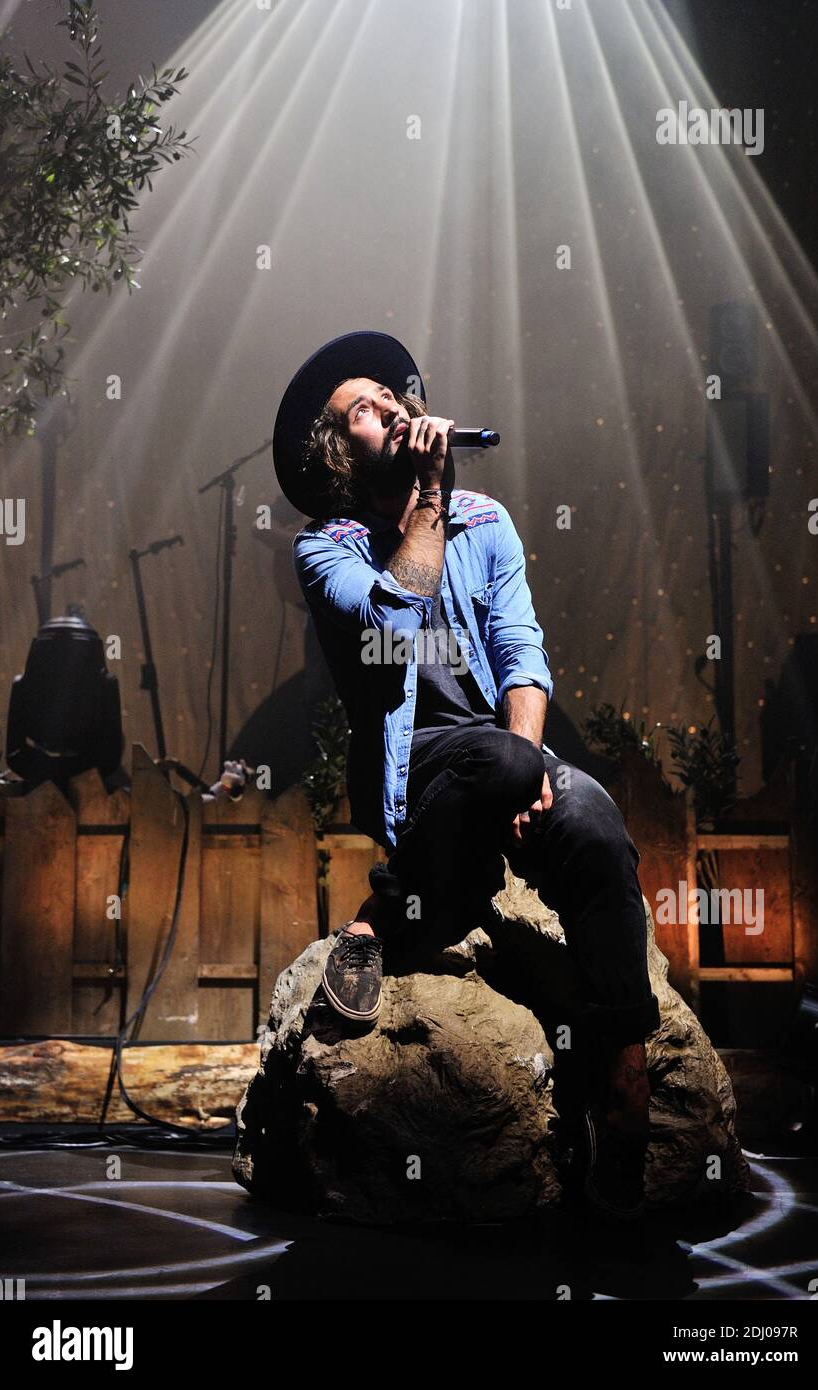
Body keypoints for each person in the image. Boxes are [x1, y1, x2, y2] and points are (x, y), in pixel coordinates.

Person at [272, 331, 660, 1221]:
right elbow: (397, 621)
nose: (392, 408)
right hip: (416, 769)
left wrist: (532, 776)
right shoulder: (325, 546)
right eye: (363, 410)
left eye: (391, 396)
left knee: (594, 818)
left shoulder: (488, 523)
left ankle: (625, 1078)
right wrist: (426, 498)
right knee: (501, 761)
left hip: (502, 751)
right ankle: (388, 911)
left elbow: (523, 656)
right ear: (341, 454)